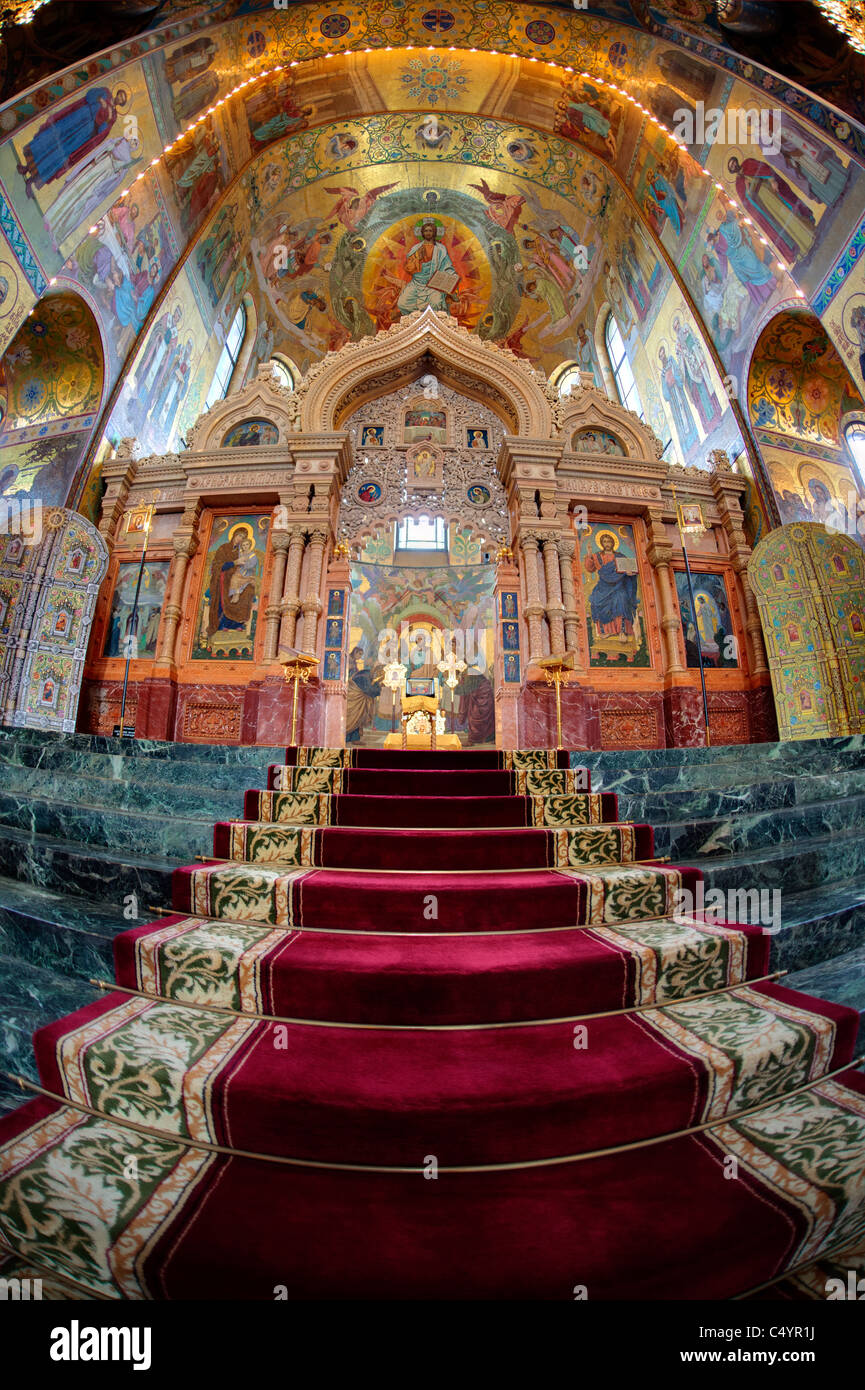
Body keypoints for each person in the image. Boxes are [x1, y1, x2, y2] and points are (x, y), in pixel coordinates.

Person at [397, 221, 458, 315]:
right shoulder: (416, 248)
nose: (428, 233)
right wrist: (417, 259)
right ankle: (415, 322)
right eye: (426, 231)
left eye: (430, 230)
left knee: (436, 303)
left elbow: (447, 267)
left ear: (434, 232)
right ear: (422, 233)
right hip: (417, 283)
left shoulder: (441, 249)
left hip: (434, 284)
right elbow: (409, 268)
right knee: (402, 303)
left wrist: (453, 278)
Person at [345, 646, 383, 743]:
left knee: (358, 718)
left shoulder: (366, 675)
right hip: (354, 695)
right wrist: (379, 688)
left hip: (357, 694)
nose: (360, 657)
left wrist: (378, 685)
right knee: (354, 717)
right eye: (359, 654)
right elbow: (369, 690)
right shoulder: (363, 676)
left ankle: (354, 738)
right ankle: (349, 738)